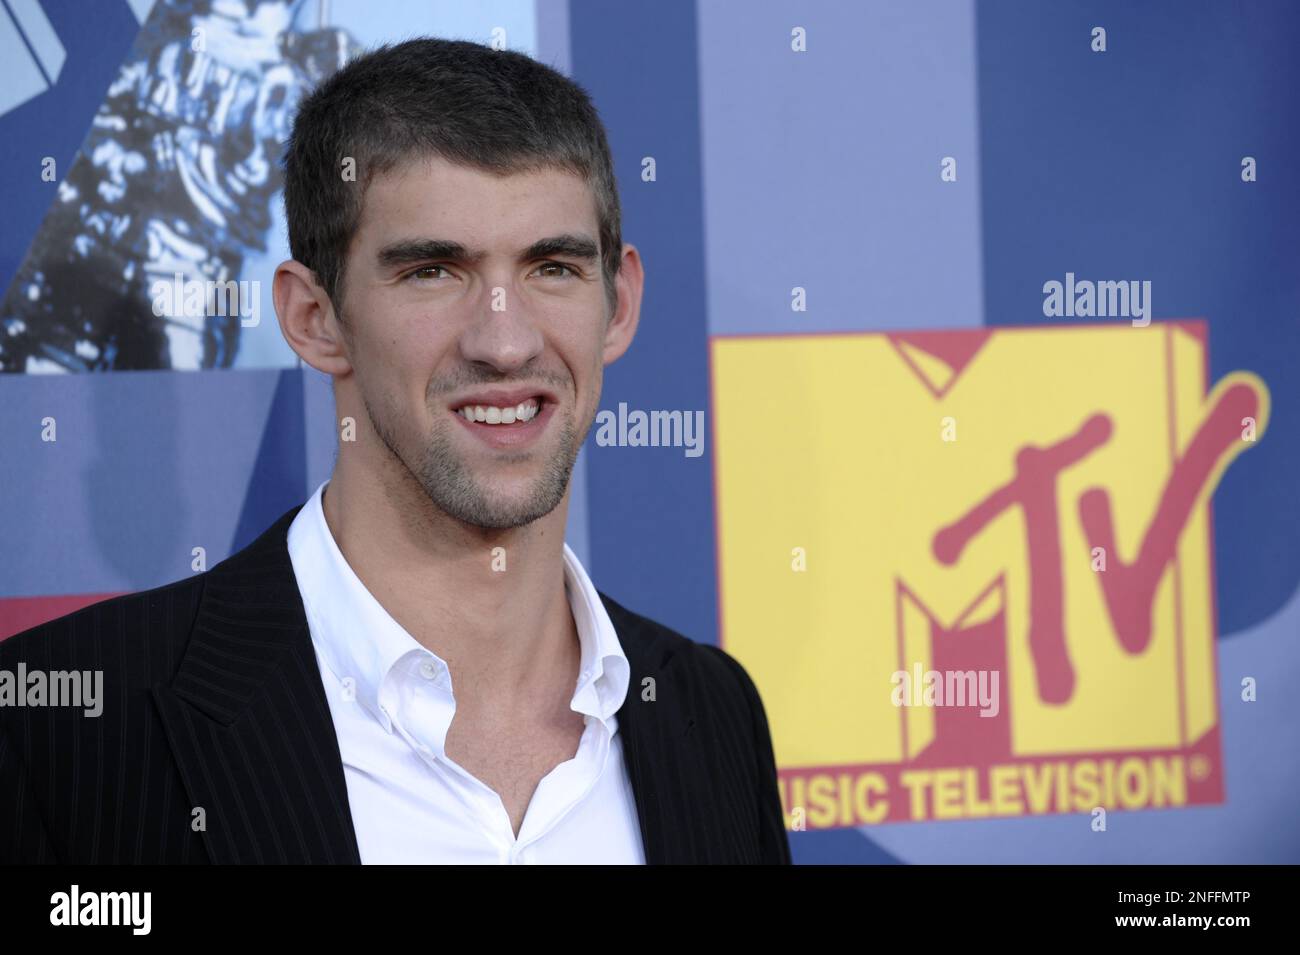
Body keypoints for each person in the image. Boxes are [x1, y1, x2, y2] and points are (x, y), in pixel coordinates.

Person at [0, 37, 790, 865]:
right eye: (433, 272)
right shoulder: (67, 728)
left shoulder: (712, 714)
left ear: (618, 304)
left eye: (552, 268)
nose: (506, 342)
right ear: (314, 318)